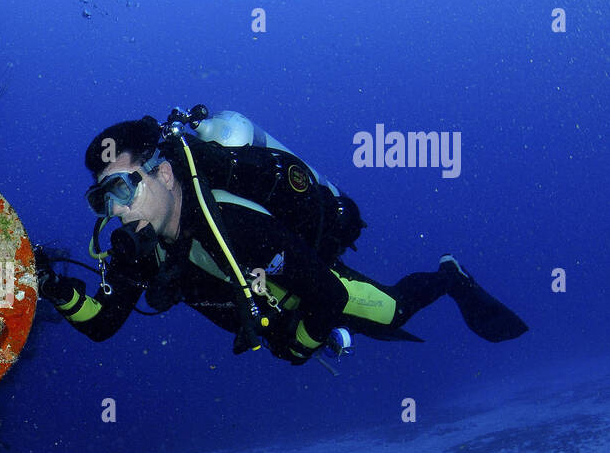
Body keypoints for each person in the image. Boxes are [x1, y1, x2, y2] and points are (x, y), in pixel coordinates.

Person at [34, 107, 528, 365]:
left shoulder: (235, 224)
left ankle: (449, 275)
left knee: (394, 311)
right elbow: (103, 322)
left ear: (164, 174)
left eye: (122, 187)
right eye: (103, 199)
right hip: (280, 309)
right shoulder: (133, 248)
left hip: (311, 288)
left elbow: (329, 294)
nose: (117, 210)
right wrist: (53, 288)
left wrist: (300, 346)